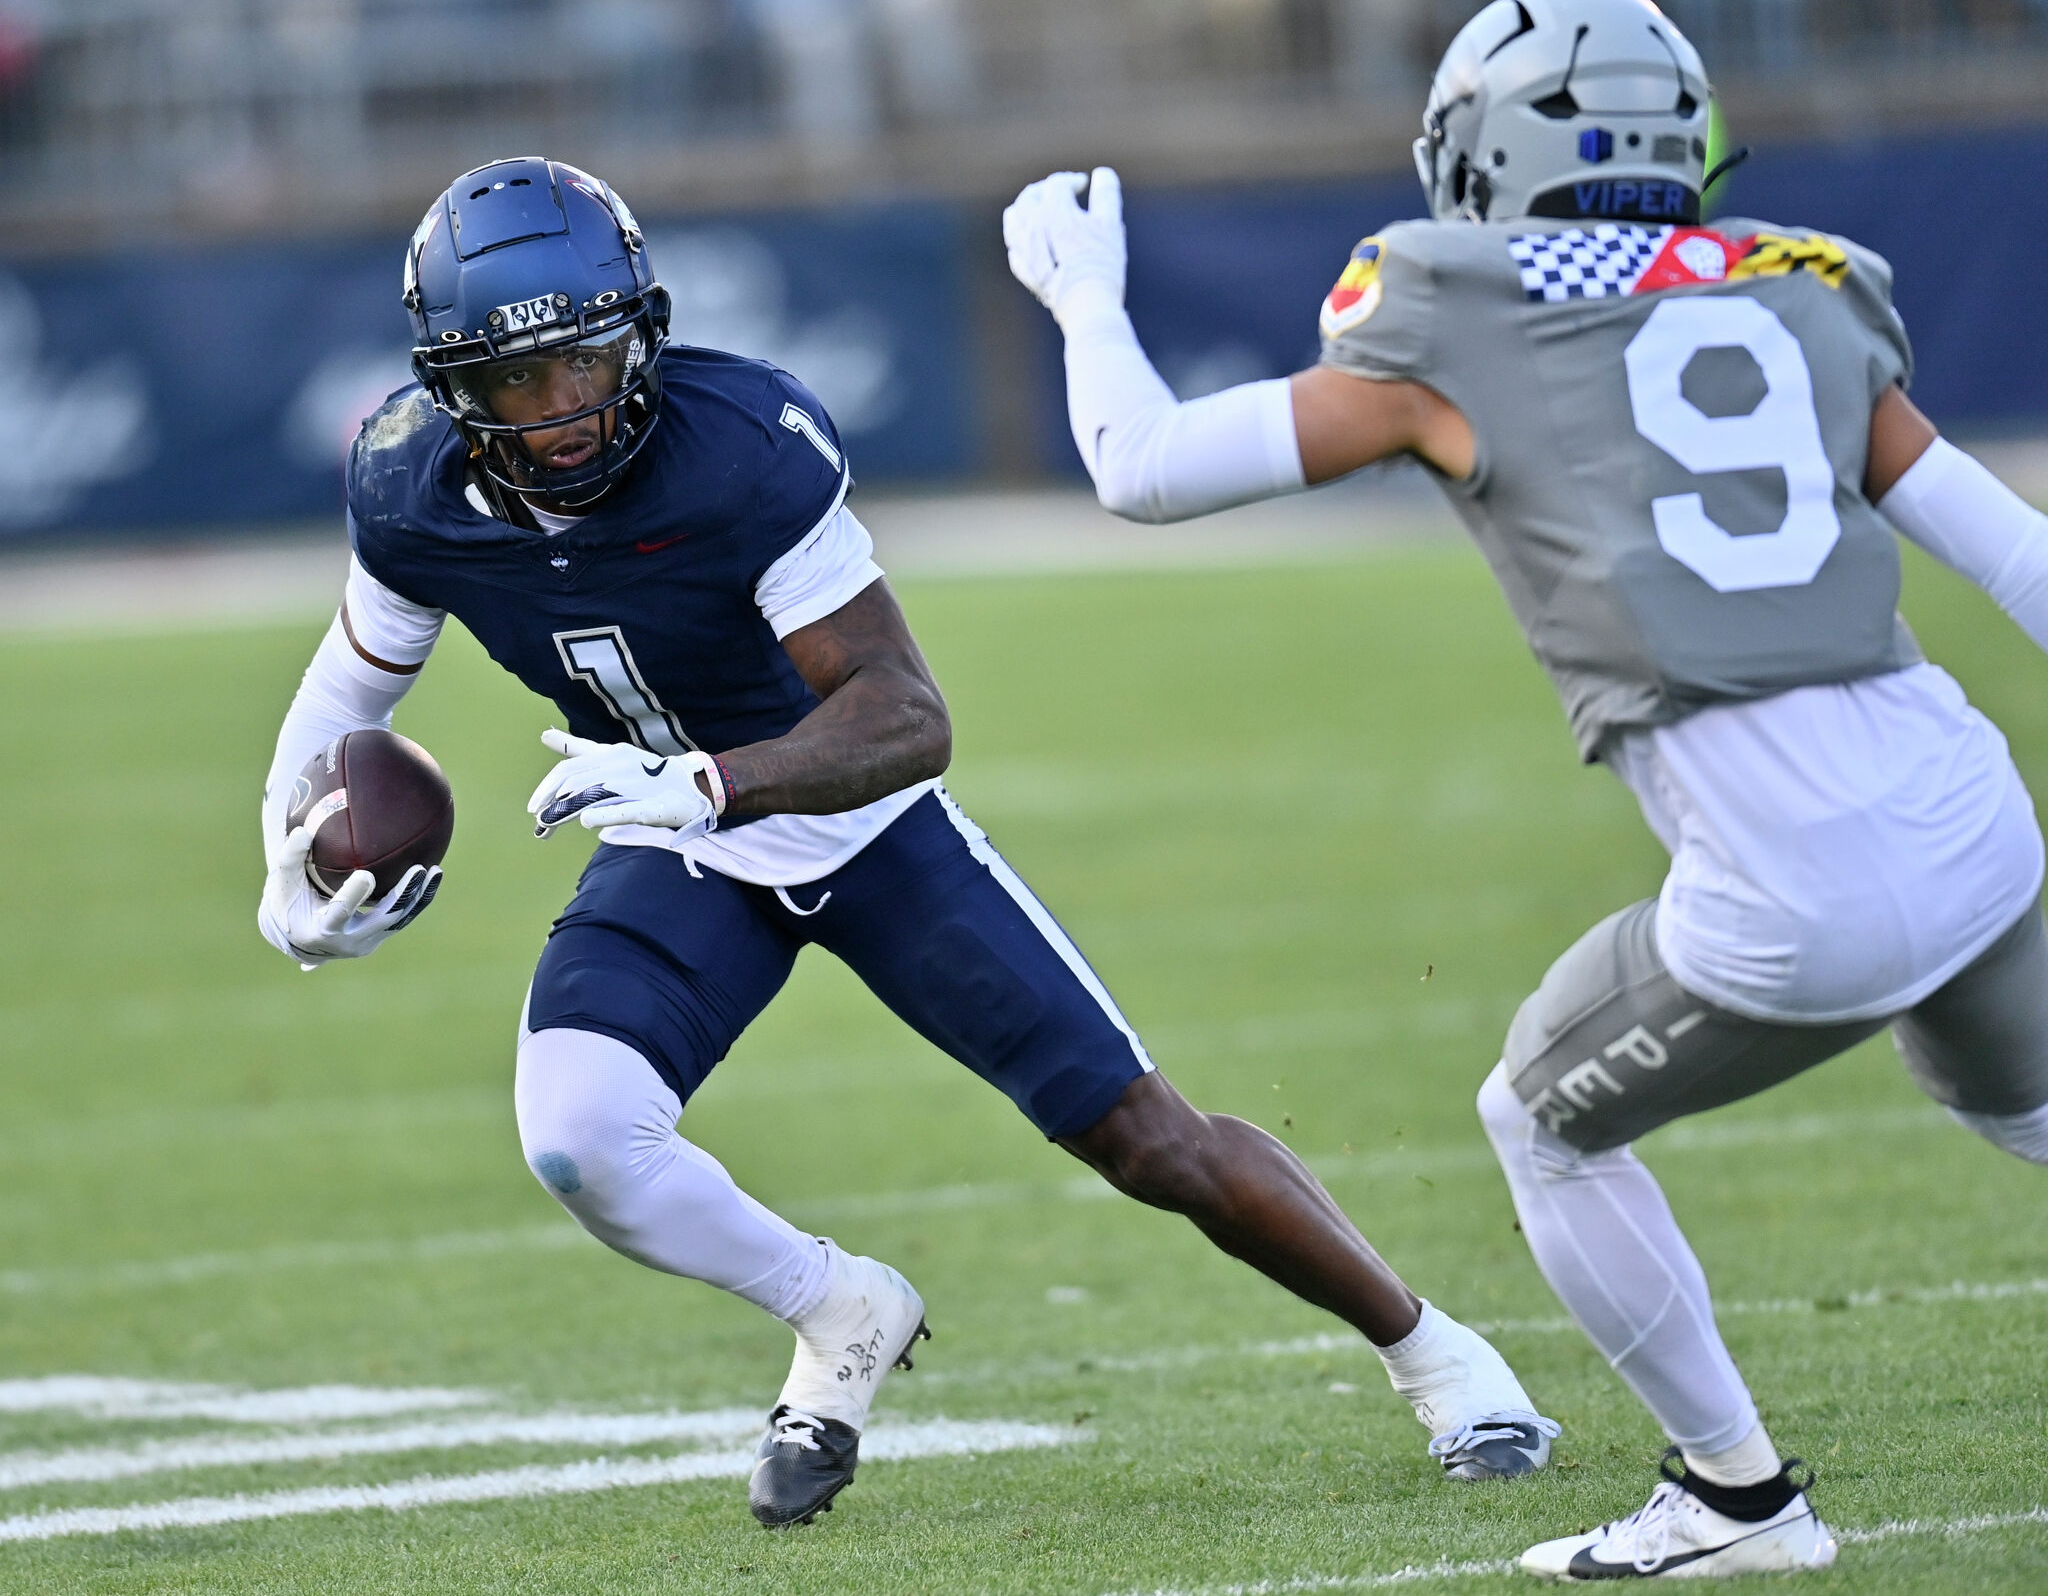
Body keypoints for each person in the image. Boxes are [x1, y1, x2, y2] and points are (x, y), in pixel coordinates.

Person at [255, 157, 1557, 1531]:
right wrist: (289, 866)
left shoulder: (739, 448)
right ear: (455, 392)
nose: (561, 410)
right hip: (676, 836)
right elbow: (349, 694)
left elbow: (905, 716)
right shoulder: (411, 485)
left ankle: (1441, 1358)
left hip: (844, 815)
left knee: (1149, 1143)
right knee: (579, 1140)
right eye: (516, 386)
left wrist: (714, 782)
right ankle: (842, 1310)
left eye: (582, 364)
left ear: (638, 331)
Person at [1004, 0, 2048, 1580]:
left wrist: (1082, 296)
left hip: (1790, 881)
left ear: (1475, 155)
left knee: (1539, 1116)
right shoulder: (1805, 288)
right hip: (1973, 815)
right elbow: (2007, 546)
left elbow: (1142, 473)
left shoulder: (1451, 309)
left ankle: (1739, 1502)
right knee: (2028, 1108)